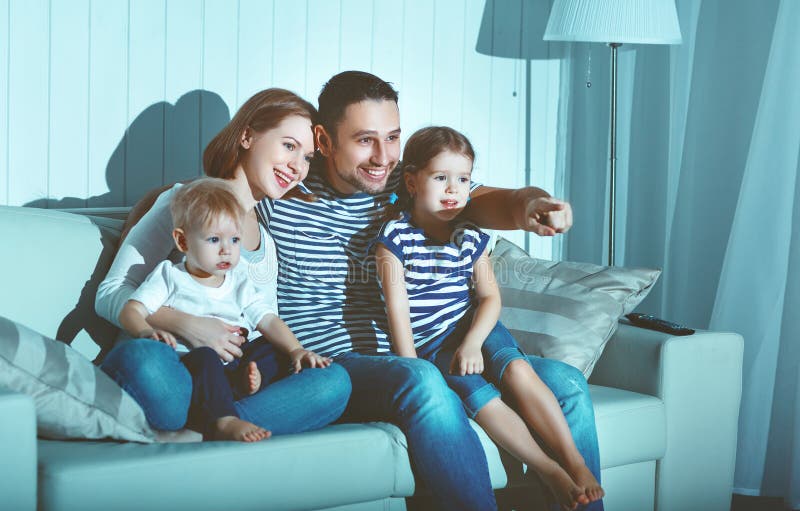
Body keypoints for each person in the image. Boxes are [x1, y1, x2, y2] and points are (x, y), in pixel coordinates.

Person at [256, 71, 601, 511]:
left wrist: (533, 204)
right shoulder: (283, 190)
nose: (383, 157)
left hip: (428, 348)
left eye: (392, 138)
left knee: (567, 382)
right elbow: (202, 211)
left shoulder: (407, 183)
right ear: (323, 140)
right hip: (340, 365)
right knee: (424, 379)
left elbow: (492, 199)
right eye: (365, 140)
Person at [96, 88, 351, 436]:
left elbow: (260, 320)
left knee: (334, 381)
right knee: (143, 361)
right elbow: (109, 293)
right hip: (169, 369)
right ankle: (214, 421)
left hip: (223, 380)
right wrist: (187, 324)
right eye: (289, 146)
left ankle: (212, 422)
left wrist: (277, 360)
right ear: (247, 136)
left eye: (307, 157)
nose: (297, 167)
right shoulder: (183, 201)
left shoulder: (267, 242)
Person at [374, 126, 604, 510]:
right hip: (432, 347)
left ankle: (575, 463)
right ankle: (549, 470)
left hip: (475, 328)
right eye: (441, 178)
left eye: (463, 179)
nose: (454, 189)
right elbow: (397, 311)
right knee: (484, 401)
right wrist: (414, 368)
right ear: (412, 182)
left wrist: (472, 342)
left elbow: (490, 298)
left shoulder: (468, 235)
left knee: (518, 370)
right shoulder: (395, 239)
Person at [118, 178, 333, 442]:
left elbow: (267, 319)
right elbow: (131, 310)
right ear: (183, 241)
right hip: (189, 367)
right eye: (214, 239)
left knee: (271, 348)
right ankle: (223, 419)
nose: (226, 250)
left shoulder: (239, 281)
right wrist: (145, 331)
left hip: (231, 366)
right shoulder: (170, 276)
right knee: (206, 357)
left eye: (234, 240)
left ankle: (239, 390)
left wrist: (296, 349)